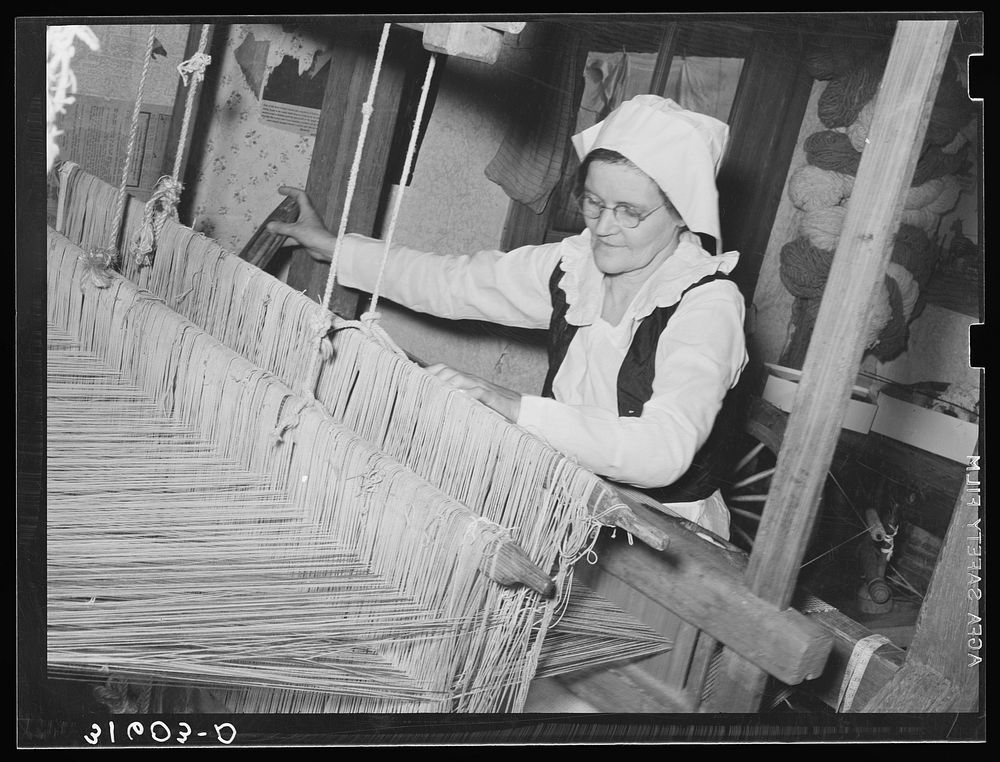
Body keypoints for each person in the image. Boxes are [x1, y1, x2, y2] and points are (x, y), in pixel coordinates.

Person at [268, 95, 748, 539]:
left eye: (630, 213)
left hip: (666, 535)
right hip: (570, 501)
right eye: (594, 203)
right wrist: (333, 247)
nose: (603, 227)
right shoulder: (574, 267)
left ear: (683, 214)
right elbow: (452, 283)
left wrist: (514, 406)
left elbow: (662, 453)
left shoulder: (707, 304)